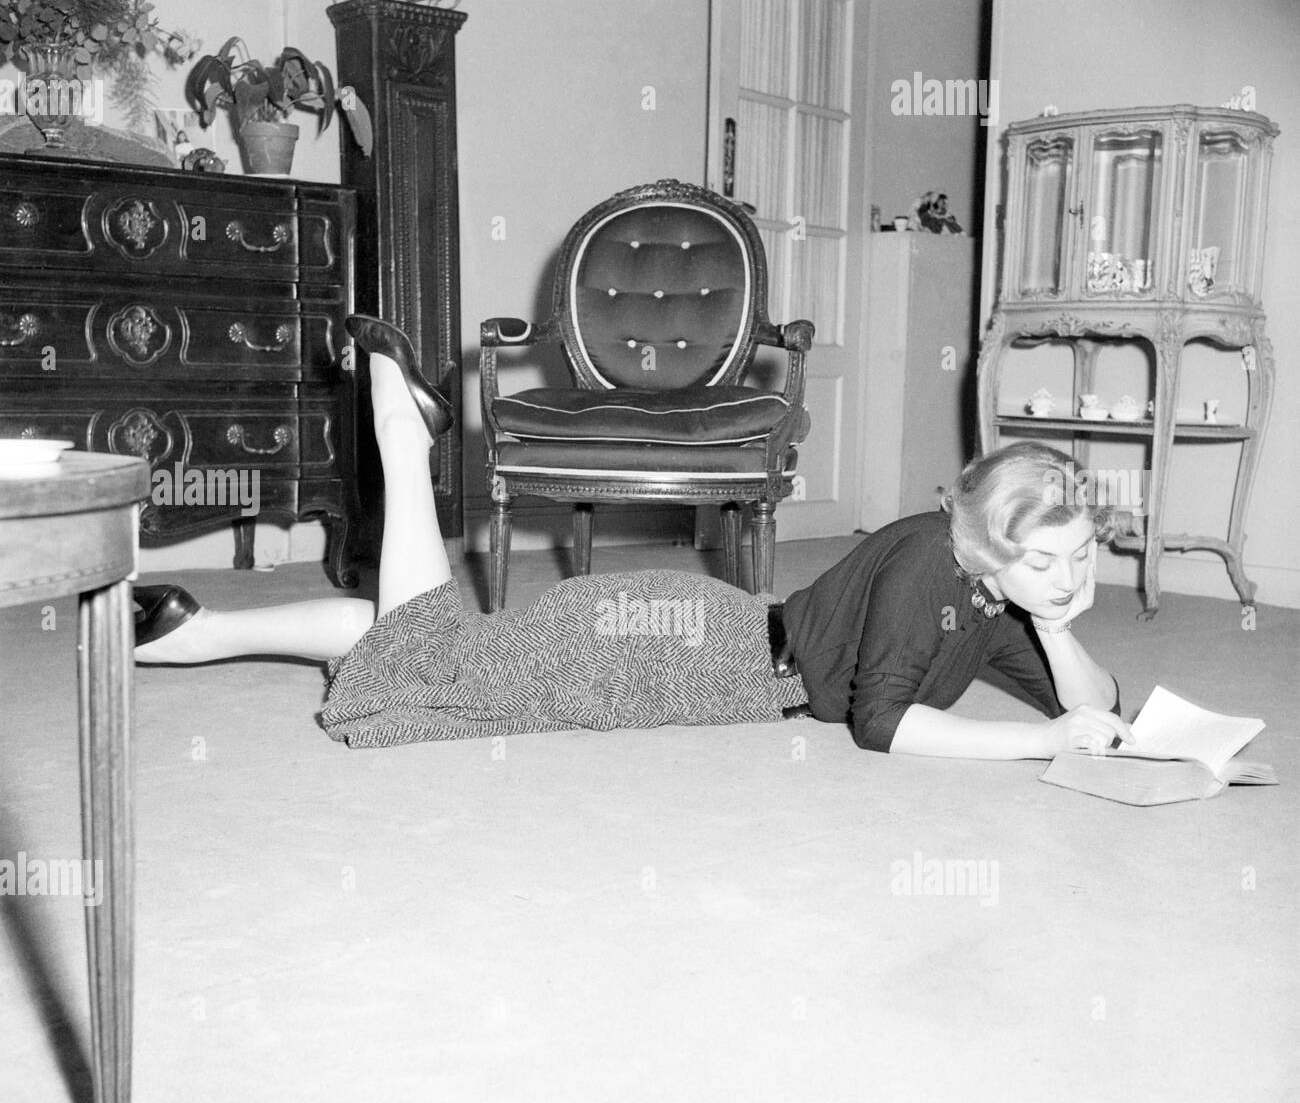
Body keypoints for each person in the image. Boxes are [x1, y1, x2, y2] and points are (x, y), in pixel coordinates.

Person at [134, 315, 1134, 760]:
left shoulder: (998, 592)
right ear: (980, 539)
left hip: (711, 636)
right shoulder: (930, 560)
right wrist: (1036, 743)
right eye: (1041, 559)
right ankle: (403, 435)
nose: (1062, 576)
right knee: (438, 667)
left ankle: (202, 631)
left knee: (453, 657)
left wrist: (1056, 622)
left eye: (1077, 556)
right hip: (694, 657)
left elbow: (1102, 711)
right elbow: (882, 723)